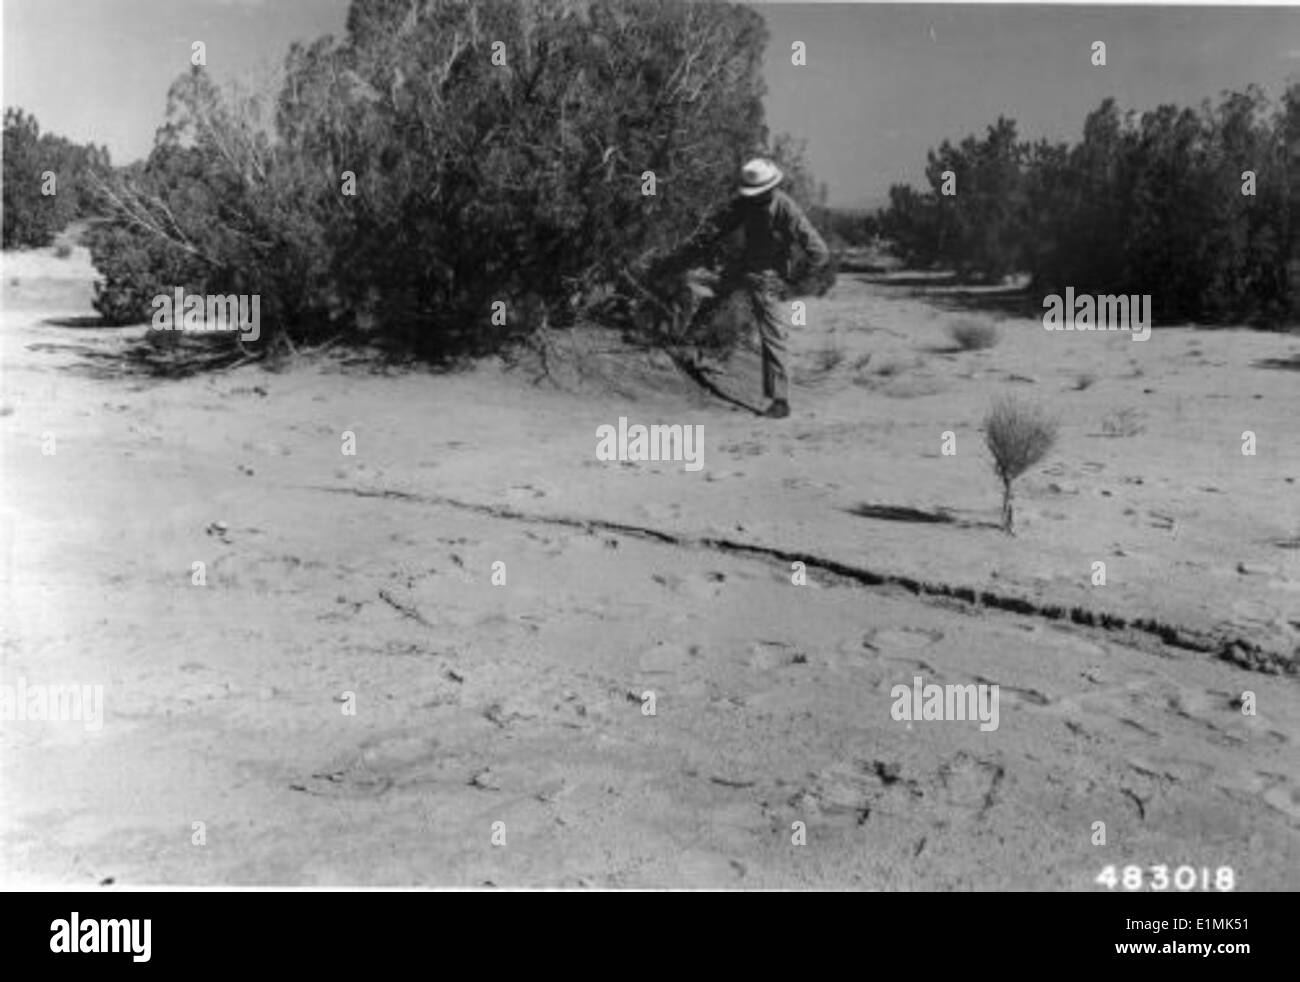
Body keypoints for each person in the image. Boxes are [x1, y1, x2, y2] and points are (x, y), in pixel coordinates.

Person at [664, 158, 831, 419]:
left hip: (768, 278)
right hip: (744, 266)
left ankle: (780, 401)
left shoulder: (786, 208)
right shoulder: (746, 203)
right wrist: (691, 245)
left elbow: (819, 252)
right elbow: (718, 227)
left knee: (773, 336)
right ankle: (684, 344)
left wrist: (793, 283)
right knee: (712, 299)